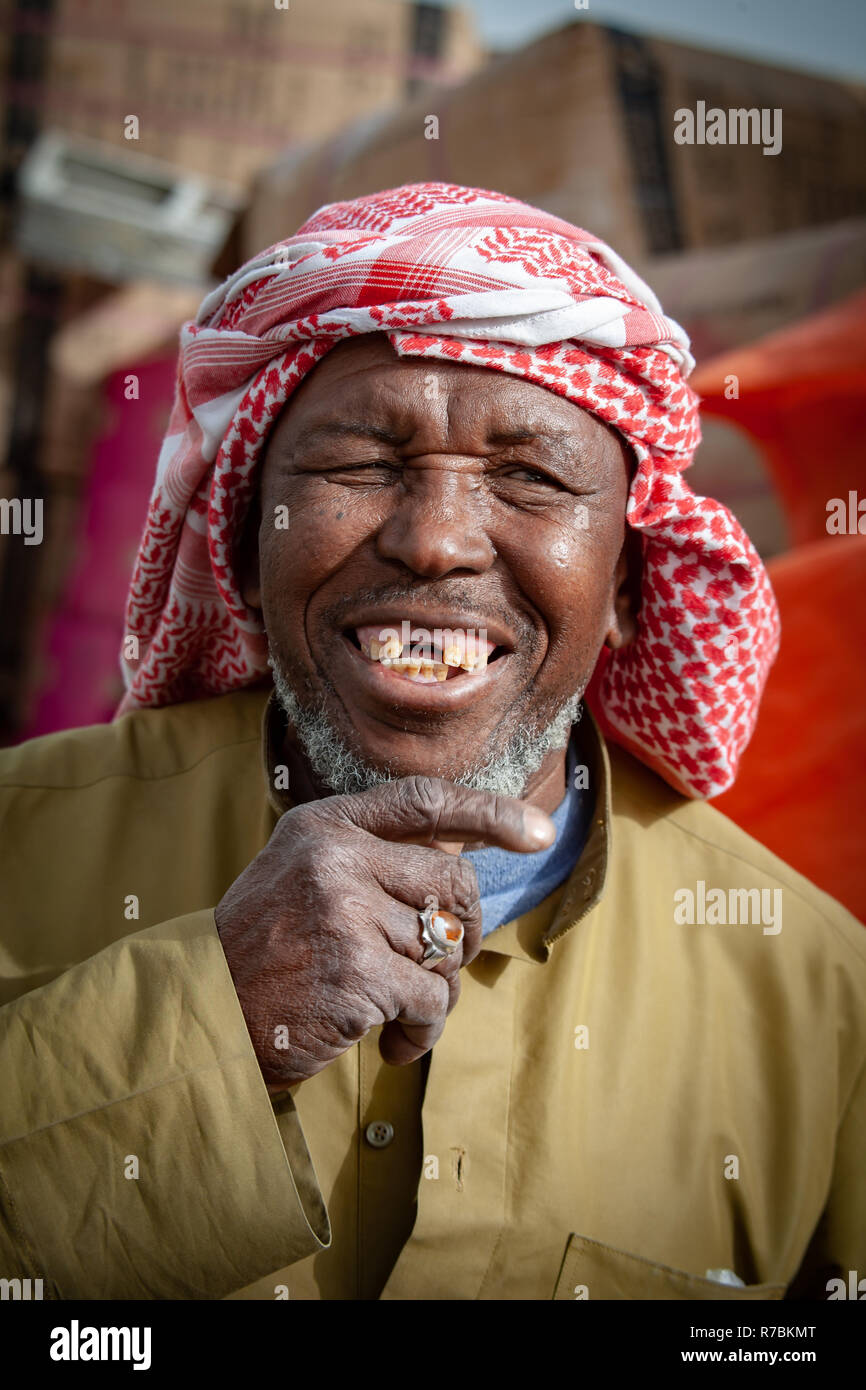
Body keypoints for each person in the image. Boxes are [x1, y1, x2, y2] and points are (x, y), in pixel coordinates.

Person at [0, 184, 863, 1302]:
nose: (435, 541)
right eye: (357, 463)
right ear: (242, 550)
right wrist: (209, 1023)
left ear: (631, 586)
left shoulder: (817, 995)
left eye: (530, 477)